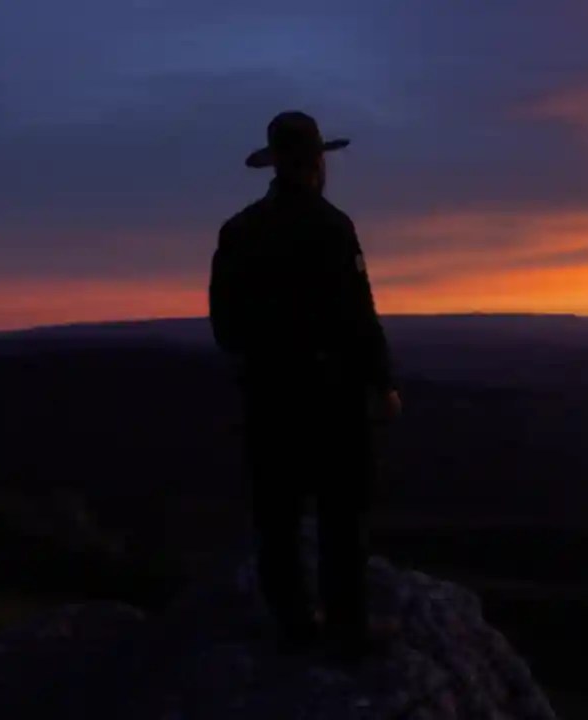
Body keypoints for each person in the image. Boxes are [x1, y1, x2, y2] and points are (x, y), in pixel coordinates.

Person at [208, 111, 401, 662]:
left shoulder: (238, 231)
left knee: (278, 514)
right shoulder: (331, 226)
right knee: (342, 514)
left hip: (267, 395)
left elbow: (224, 325)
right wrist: (381, 384)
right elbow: (358, 315)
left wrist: (262, 363)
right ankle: (348, 630)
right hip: (332, 394)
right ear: (317, 163)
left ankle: (291, 622)